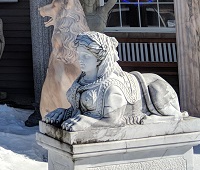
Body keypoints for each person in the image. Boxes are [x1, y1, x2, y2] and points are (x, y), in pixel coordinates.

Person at [44, 31, 181, 130]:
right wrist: (64, 112)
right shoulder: (82, 82)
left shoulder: (111, 87)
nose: (80, 59)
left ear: (100, 59)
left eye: (86, 56)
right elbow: (83, 110)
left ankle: (168, 117)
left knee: (157, 89)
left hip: (155, 91)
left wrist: (88, 123)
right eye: (79, 55)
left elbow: (113, 121)